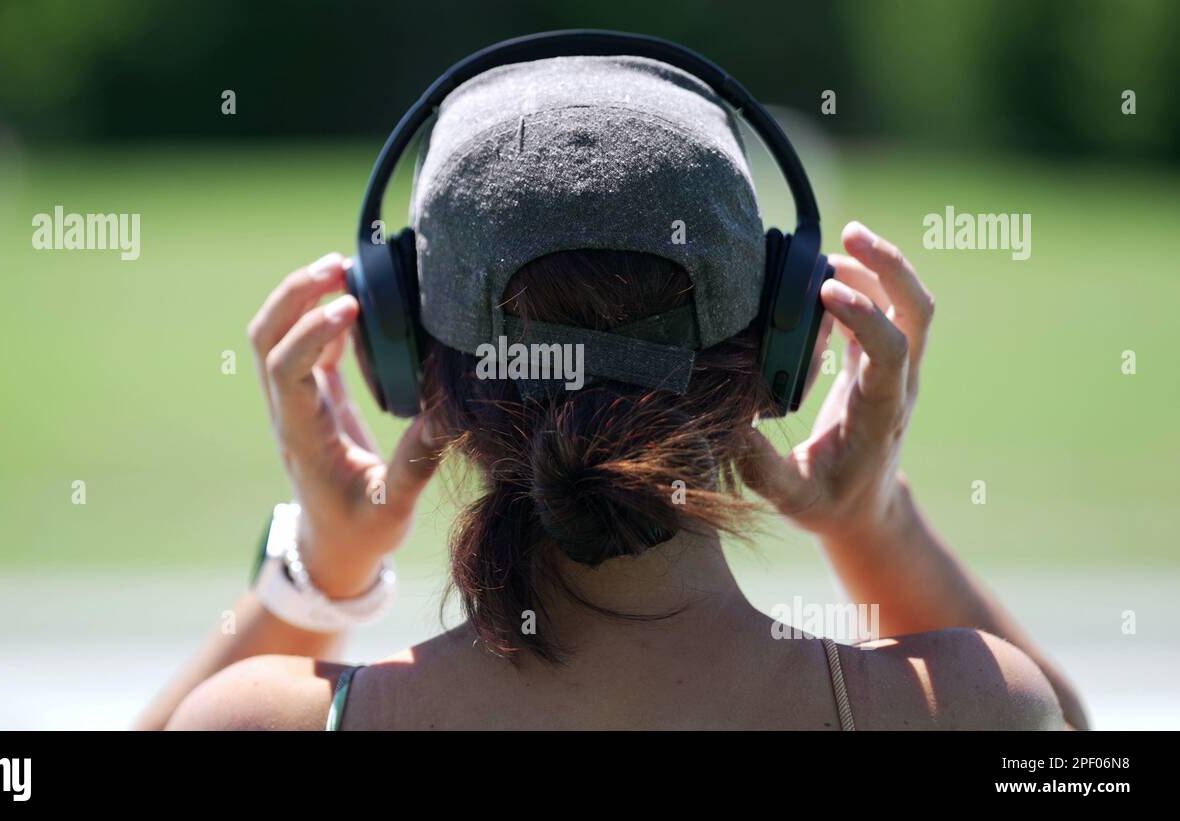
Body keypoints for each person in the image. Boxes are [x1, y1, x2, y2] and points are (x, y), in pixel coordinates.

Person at [137, 54, 1087, 731]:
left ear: (407, 362)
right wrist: (872, 521)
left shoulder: (265, 718)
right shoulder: (975, 704)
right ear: (781, 346)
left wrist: (323, 567)